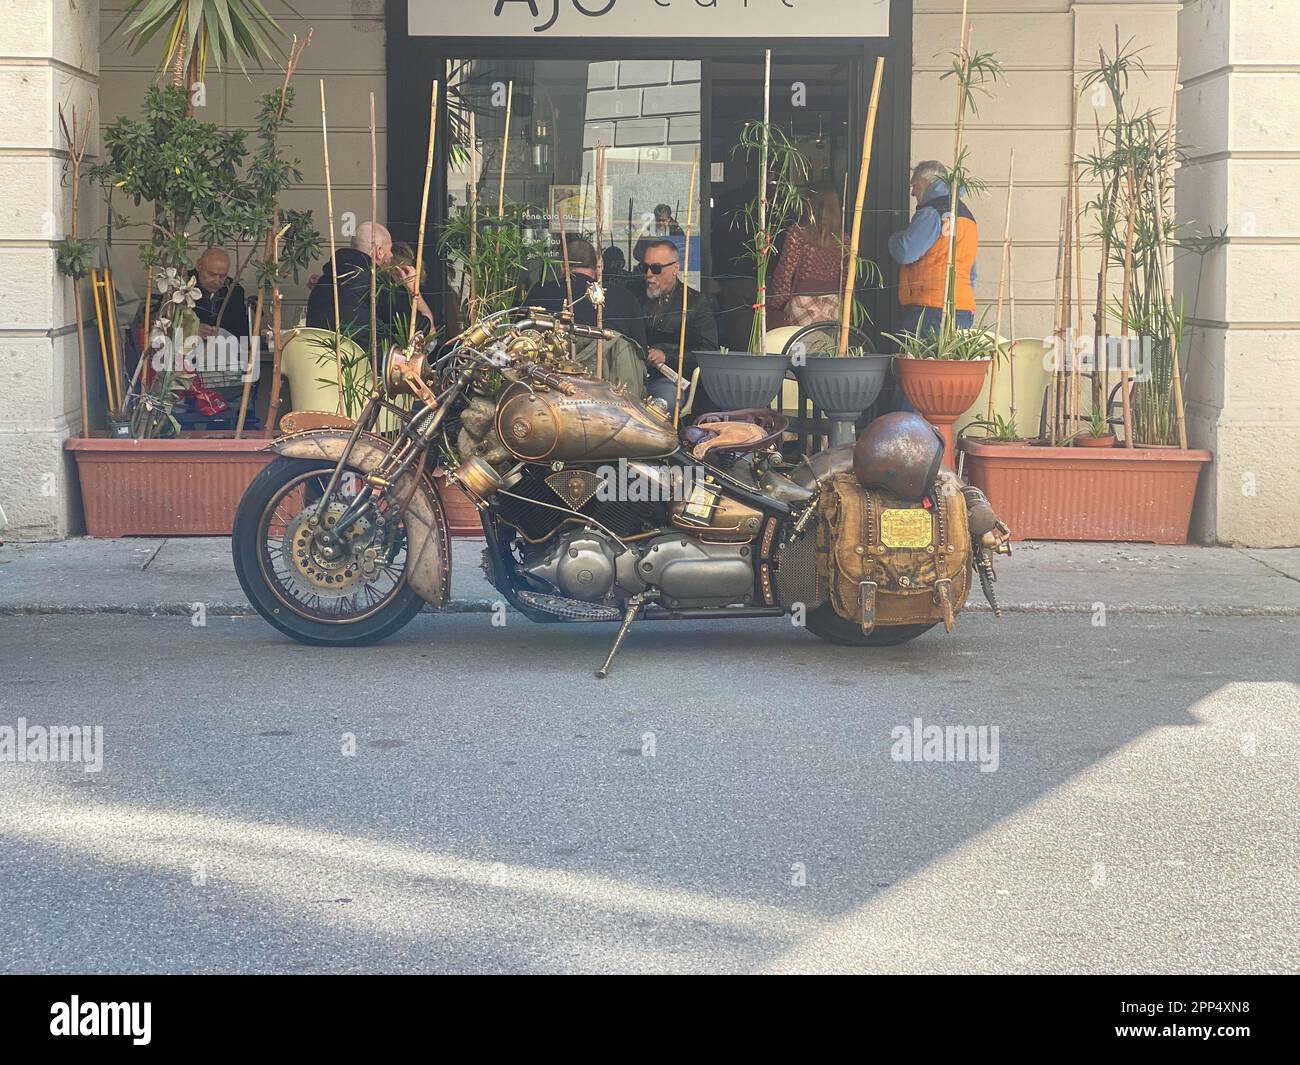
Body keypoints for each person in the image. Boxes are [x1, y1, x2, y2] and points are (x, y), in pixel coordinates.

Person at [522, 238, 649, 397]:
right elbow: (641, 351)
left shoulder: (540, 292)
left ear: (563, 267)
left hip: (551, 392)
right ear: (597, 267)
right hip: (612, 396)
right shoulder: (625, 298)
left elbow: (522, 342)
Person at [887, 160, 979, 337]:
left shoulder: (931, 212)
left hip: (929, 308)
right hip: (962, 307)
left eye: (914, 185)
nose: (913, 192)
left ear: (926, 182)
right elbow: (971, 271)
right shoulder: (967, 216)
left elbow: (906, 252)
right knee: (950, 363)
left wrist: (894, 238)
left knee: (922, 363)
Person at [306, 221, 421, 353]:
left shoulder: (323, 281)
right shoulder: (377, 283)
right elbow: (414, 329)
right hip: (365, 367)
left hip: (322, 365)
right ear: (379, 252)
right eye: (389, 251)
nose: (391, 256)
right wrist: (412, 290)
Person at [638, 239, 719, 410]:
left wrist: (667, 356)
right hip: (632, 375)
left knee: (663, 403)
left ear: (675, 268)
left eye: (656, 268)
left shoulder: (695, 302)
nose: (649, 274)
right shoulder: (635, 296)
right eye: (644, 268)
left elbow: (708, 351)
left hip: (670, 379)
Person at [768, 182, 847, 327]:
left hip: (802, 304)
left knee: (801, 347)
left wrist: (774, 304)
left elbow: (784, 274)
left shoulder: (797, 233)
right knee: (829, 346)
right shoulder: (844, 238)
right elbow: (846, 279)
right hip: (833, 304)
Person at [189, 246, 250, 402]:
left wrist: (223, 334)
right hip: (186, 358)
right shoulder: (182, 285)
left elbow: (242, 332)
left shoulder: (234, 290)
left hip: (222, 362)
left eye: (222, 276)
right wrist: (192, 331)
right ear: (199, 266)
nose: (217, 281)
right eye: (211, 274)